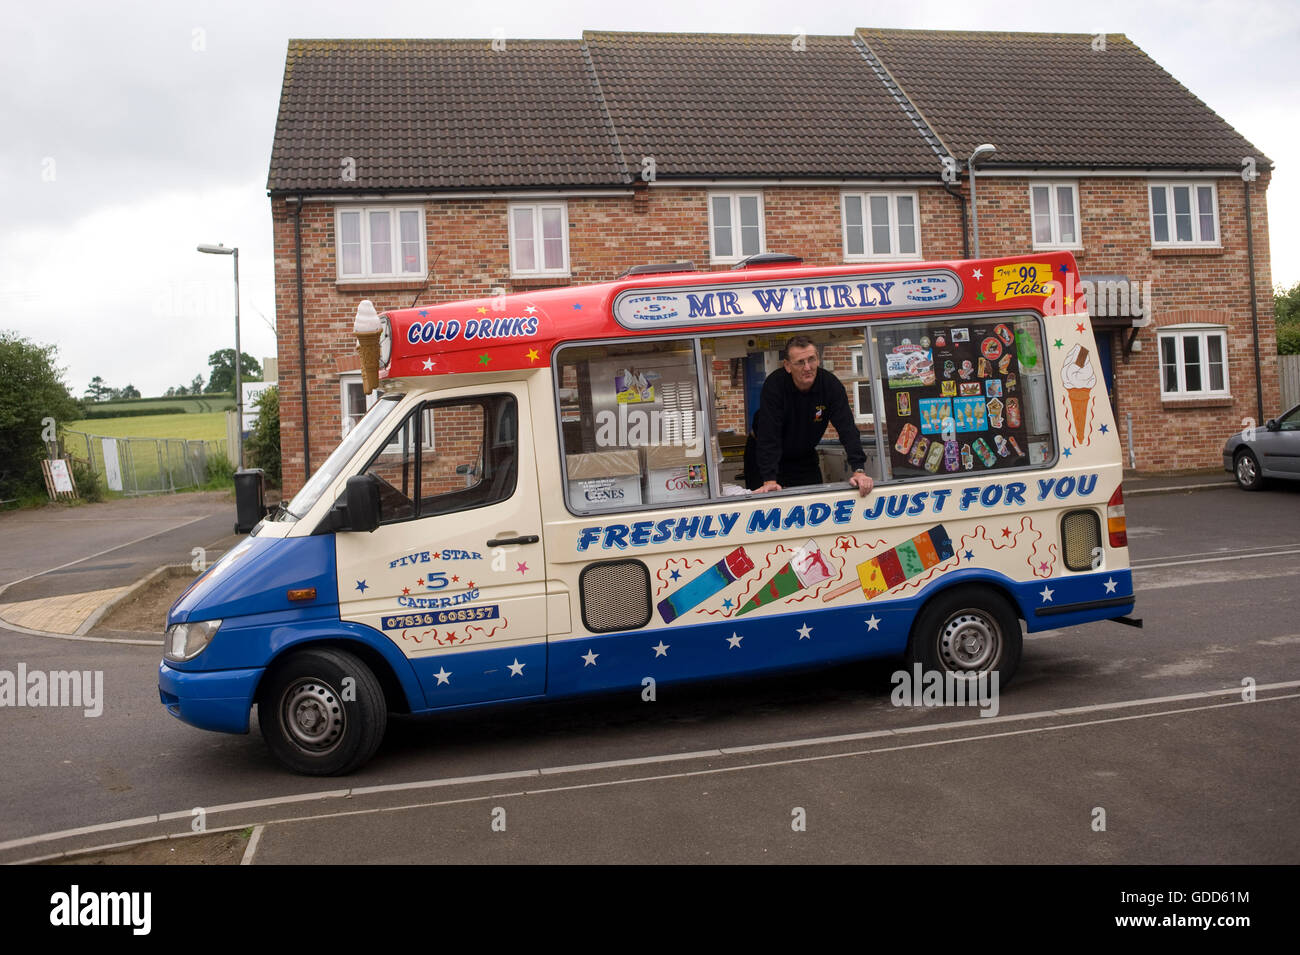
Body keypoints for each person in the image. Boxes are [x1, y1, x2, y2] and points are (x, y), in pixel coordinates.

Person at [744, 336, 874, 496]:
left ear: (818, 359)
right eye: (800, 362)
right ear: (787, 366)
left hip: (804, 456)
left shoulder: (830, 385)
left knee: (813, 501)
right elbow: (769, 435)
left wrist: (858, 470)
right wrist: (770, 480)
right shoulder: (774, 386)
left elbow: (847, 428)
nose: (807, 367)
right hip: (764, 456)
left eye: (811, 359)